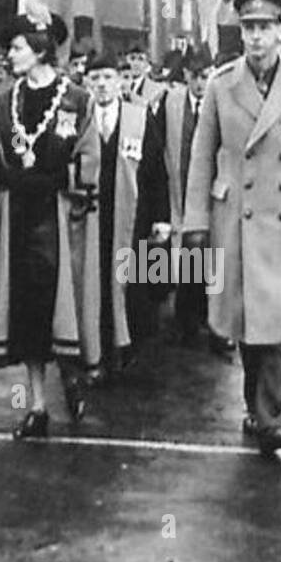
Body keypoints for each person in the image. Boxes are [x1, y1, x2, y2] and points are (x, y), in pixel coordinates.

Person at [181, 0, 281, 458]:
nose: (256, 38)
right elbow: (201, 155)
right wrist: (195, 221)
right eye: (248, 28)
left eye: (264, 28)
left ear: (280, 32)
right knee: (246, 321)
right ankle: (257, 405)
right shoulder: (220, 85)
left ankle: (274, 419)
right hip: (237, 217)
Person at [0, 0, 100, 437]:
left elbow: (89, 160)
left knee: (64, 306)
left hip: (61, 223)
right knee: (26, 313)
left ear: (41, 49)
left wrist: (58, 177)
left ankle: (74, 375)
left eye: (18, 46)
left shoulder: (79, 102)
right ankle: (37, 405)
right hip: (18, 222)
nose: (10, 54)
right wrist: (0, 175)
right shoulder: (2, 106)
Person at [86, 48, 170, 378]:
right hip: (92, 214)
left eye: (108, 78)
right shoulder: (78, 118)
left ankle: (128, 347)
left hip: (133, 215)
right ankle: (99, 352)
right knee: (97, 283)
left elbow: (156, 171)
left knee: (134, 284)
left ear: (121, 81)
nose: (102, 85)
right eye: (95, 79)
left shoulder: (139, 117)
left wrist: (161, 218)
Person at [158, 41, 232, 352]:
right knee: (188, 255)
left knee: (216, 260)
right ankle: (187, 323)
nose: (201, 84)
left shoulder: (223, 102)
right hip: (180, 189)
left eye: (207, 76)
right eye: (196, 77)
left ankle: (218, 326)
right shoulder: (170, 102)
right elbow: (158, 144)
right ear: (186, 75)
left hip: (214, 192)